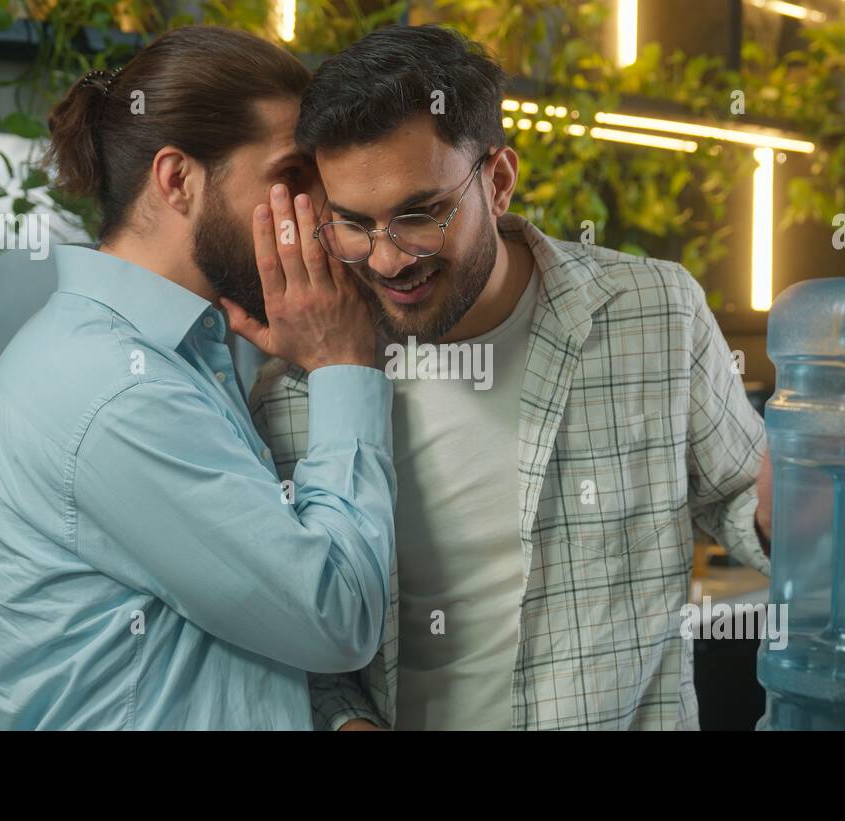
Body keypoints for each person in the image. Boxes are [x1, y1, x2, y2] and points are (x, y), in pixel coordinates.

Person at [250, 23, 773, 731]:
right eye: (354, 224)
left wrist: (801, 497)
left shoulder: (656, 312)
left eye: (420, 214)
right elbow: (300, 641)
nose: (386, 260)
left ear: (497, 181)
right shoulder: (301, 389)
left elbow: (747, 504)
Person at [0, 25, 395, 730]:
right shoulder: (114, 390)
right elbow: (333, 612)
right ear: (177, 179)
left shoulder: (180, 353)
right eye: (290, 177)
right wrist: (345, 367)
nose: (315, 216)